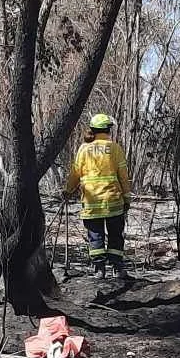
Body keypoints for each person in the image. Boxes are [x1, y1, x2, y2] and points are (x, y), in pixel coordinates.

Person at [64, 113, 131, 278]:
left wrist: (68, 191)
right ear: (108, 129)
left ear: (92, 129)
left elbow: (75, 173)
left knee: (95, 237)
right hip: (113, 202)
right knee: (115, 235)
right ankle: (117, 269)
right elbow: (123, 176)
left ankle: (99, 270)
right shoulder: (115, 148)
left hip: (91, 203)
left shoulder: (83, 149)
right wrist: (127, 198)